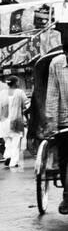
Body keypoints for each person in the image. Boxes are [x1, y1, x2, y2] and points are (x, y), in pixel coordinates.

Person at [45, 23, 68, 213]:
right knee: (64, 159)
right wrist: (52, 124)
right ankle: (67, 196)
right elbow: (52, 96)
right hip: (65, 122)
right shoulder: (57, 64)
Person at [0, 74, 29, 171]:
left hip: (3, 121)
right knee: (16, 142)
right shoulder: (20, 92)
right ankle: (13, 162)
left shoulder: (2, 93)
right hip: (15, 120)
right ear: (15, 83)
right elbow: (27, 105)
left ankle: (8, 156)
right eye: (18, 82)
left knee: (8, 141)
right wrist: (25, 114)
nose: (19, 83)